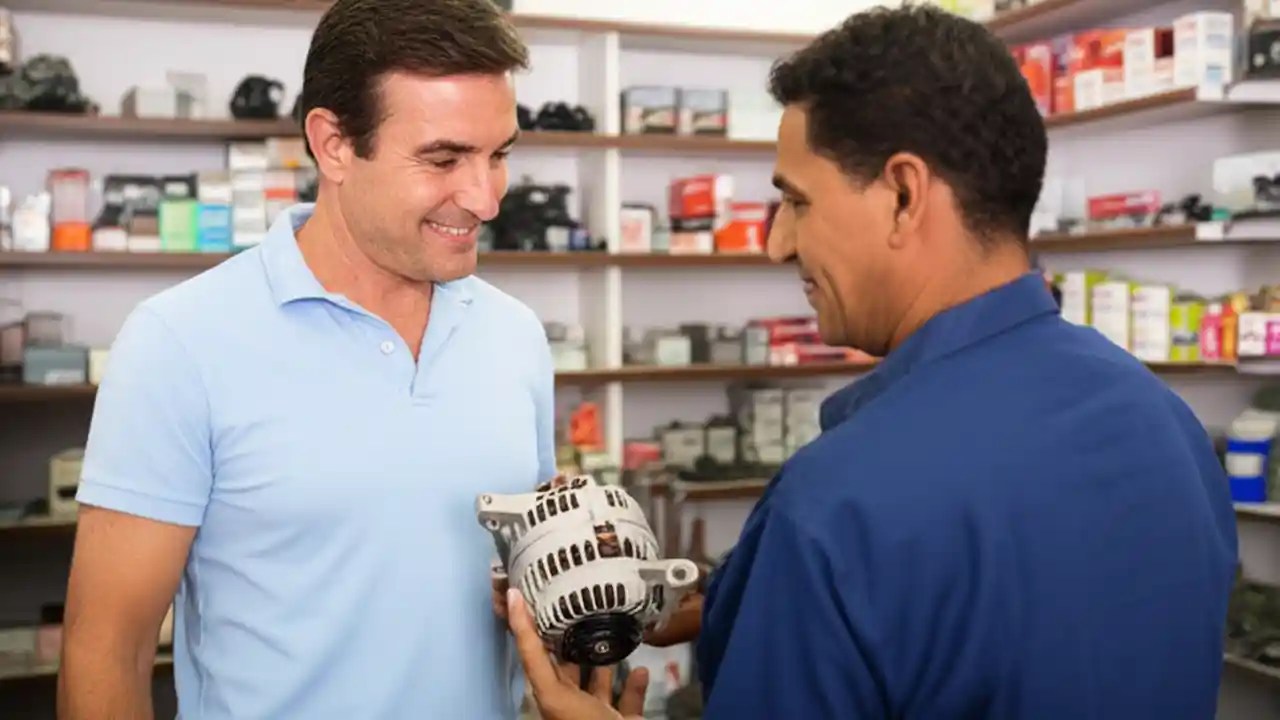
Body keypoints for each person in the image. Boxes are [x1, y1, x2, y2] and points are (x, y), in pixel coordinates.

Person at [506, 6, 1239, 720]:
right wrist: (740, 592)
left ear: (902, 194)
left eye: (796, 201)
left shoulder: (840, 506)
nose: (776, 243)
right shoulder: (1165, 426)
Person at [58, 1, 554, 718]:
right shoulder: (181, 342)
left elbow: (528, 585)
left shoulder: (516, 336)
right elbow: (106, 651)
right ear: (334, 144)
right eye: (445, 159)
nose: (485, 197)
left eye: (500, 154)